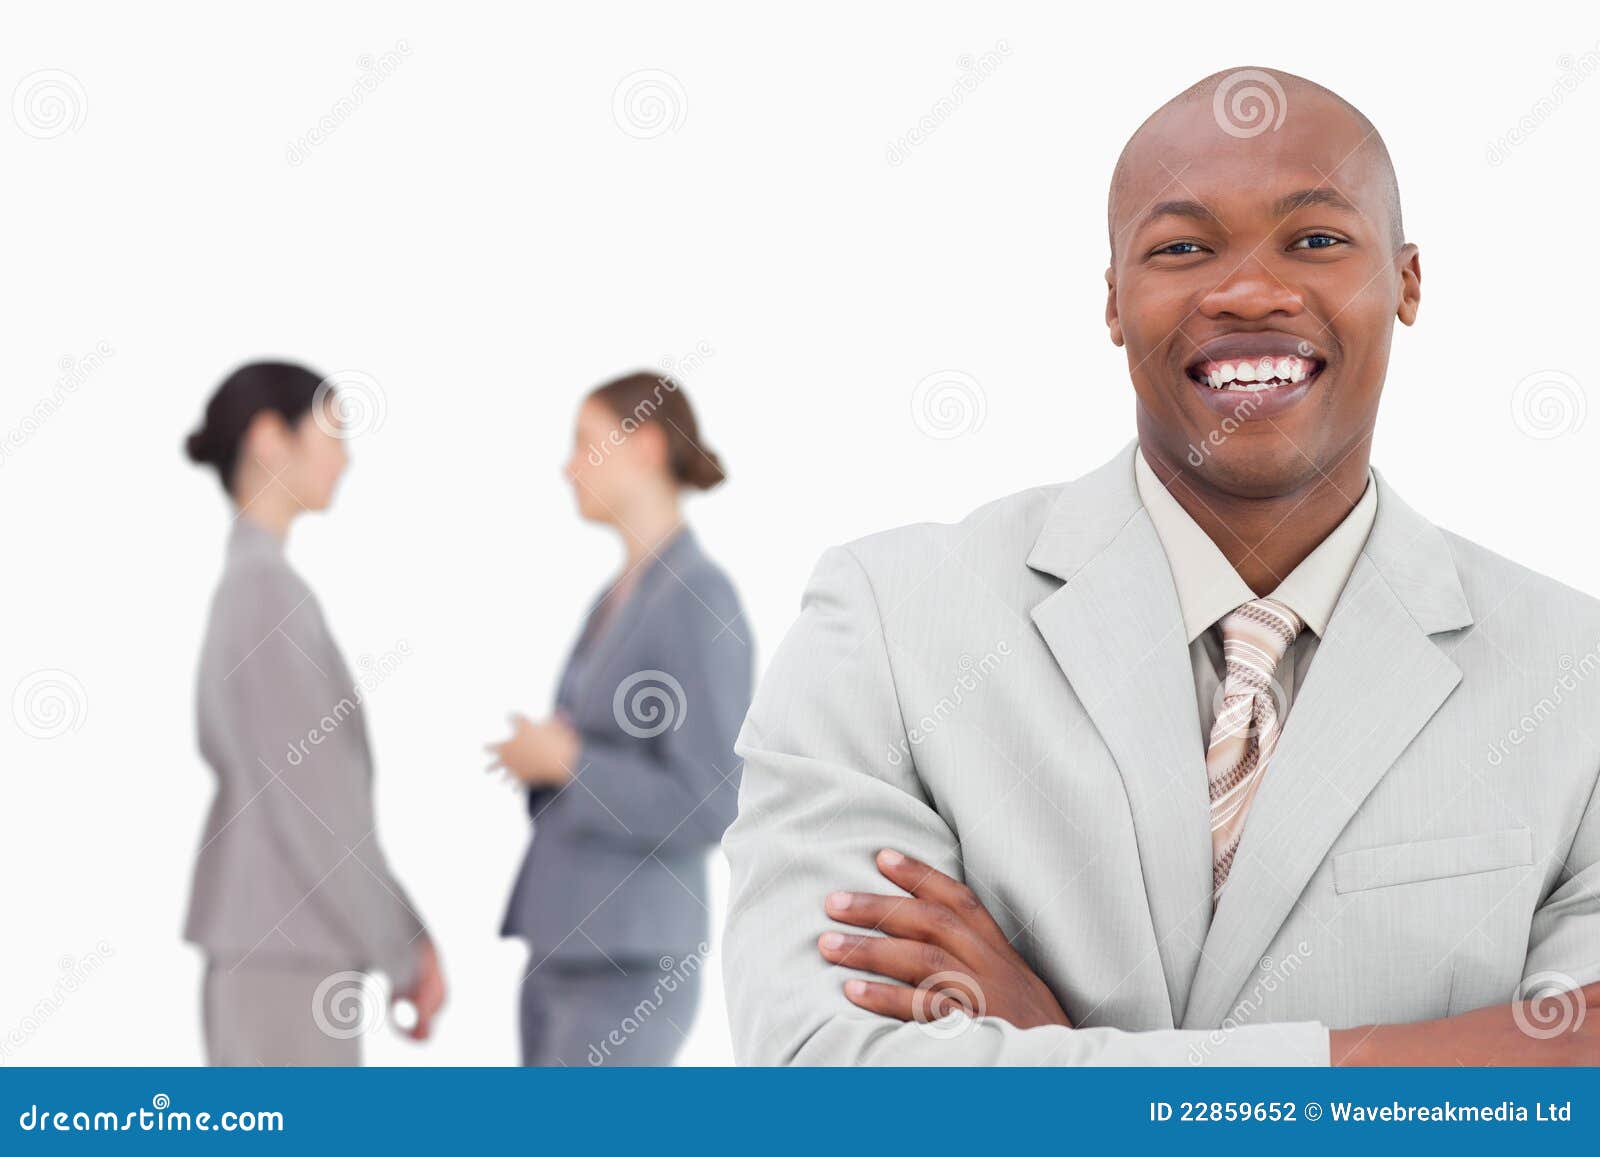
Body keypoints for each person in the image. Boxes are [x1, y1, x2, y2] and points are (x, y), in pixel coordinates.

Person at [722, 69, 1600, 1065]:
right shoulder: (888, 622)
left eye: (1315, 239)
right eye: (1181, 247)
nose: (1250, 291)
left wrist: (1067, 1057)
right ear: (1112, 301)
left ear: (1405, 281)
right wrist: (1415, 1058)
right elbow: (829, 1076)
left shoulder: (1578, 674)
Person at [183, 361, 445, 1065]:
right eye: (332, 433)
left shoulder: (255, 587)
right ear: (271, 438)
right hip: (285, 951)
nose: (345, 456)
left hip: (282, 945)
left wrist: (406, 931)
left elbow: (319, 802)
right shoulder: (265, 594)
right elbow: (316, 807)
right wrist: (403, 952)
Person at [491, 370, 753, 1066]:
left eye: (585, 442)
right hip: (566, 941)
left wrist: (569, 761)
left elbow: (713, 796)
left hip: (625, 954)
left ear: (644, 448)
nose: (568, 466)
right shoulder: (618, 594)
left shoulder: (699, 595)